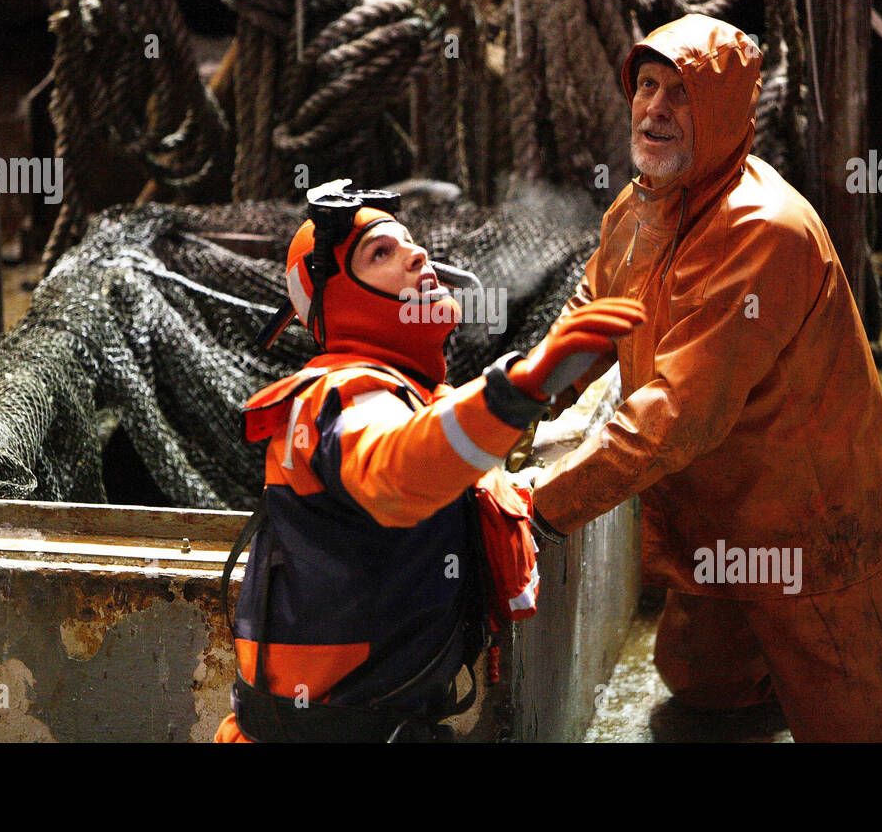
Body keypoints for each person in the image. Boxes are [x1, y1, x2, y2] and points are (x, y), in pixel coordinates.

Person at [530, 13, 882, 741]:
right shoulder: (644, 204)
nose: (655, 110)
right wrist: (523, 392)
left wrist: (539, 509)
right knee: (705, 685)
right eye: (646, 87)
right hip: (722, 521)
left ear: (727, 111)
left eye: (681, 93)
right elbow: (596, 308)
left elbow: (678, 413)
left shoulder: (760, 230)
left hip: (809, 529)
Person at [214, 194, 644, 742]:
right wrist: (513, 395)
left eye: (410, 241)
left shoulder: (419, 397)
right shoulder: (341, 397)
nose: (418, 255)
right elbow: (395, 471)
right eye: (380, 252)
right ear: (341, 298)